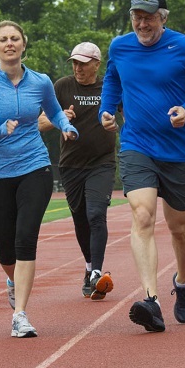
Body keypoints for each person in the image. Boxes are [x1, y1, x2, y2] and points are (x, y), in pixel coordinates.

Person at [99, 0, 185, 333]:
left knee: (178, 227)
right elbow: (112, 80)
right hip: (137, 145)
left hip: (180, 150)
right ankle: (151, 300)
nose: (142, 23)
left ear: (162, 18)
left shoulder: (184, 47)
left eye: (149, 16)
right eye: (137, 16)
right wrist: (106, 111)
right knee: (142, 214)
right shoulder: (120, 47)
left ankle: (182, 282)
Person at [0, 21, 78, 338]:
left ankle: (20, 315)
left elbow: (54, 112)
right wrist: (0, 131)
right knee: (5, 250)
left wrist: (65, 127)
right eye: (4, 39)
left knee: (25, 237)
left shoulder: (40, 82)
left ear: (24, 44)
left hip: (35, 166)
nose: (10, 43)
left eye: (15, 38)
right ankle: (13, 281)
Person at [38, 42, 117, 300]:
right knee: (81, 219)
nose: (78, 67)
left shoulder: (109, 86)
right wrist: (59, 117)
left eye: (83, 63)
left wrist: (117, 124)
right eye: (74, 62)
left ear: (96, 63)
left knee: (96, 214)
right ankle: (88, 266)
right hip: (71, 165)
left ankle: (96, 273)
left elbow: (129, 117)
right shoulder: (62, 86)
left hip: (102, 162)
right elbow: (40, 123)